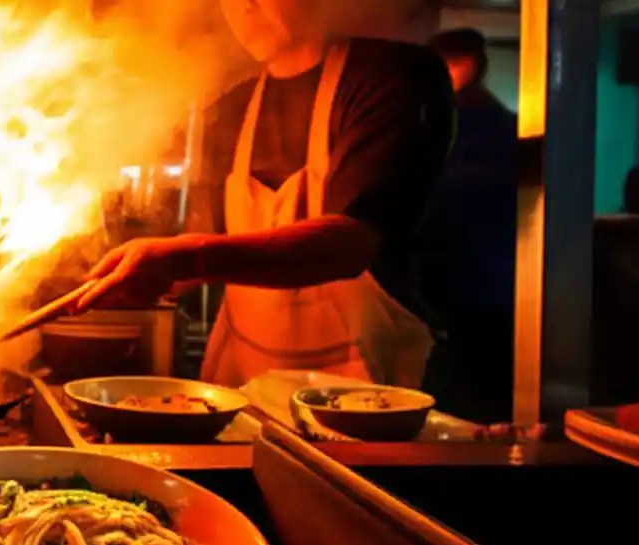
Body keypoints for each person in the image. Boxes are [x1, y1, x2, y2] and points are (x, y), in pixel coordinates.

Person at [77, 0, 454, 390]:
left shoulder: (393, 76)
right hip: (248, 390)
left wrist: (184, 259)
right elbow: (206, 242)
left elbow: (349, 245)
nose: (244, 6)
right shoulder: (232, 107)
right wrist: (127, 275)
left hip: (372, 395)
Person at [418, 28, 519, 422]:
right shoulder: (503, 129)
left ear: (463, 68)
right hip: (492, 289)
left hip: (464, 292)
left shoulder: (458, 130)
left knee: (458, 409)